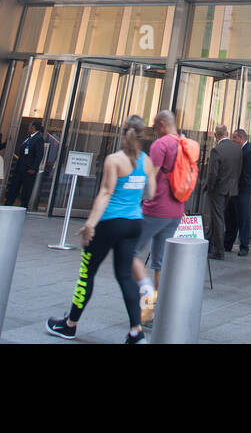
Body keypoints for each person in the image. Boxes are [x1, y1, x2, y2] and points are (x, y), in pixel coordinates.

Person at [46, 115, 155, 343]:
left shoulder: (114, 160)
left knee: (87, 274)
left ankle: (70, 324)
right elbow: (151, 193)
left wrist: (90, 224)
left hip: (110, 222)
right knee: (125, 277)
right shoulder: (147, 162)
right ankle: (136, 331)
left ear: (124, 133)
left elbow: (105, 193)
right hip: (134, 222)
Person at [130, 111, 191, 327]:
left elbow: (151, 177)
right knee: (160, 262)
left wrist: (141, 201)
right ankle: (157, 312)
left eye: (156, 127)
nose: (155, 131)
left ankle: (146, 301)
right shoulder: (185, 144)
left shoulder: (161, 145)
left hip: (156, 208)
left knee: (130, 251)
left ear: (162, 125)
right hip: (176, 210)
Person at [203, 124, 242, 260]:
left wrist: (210, 188)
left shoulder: (216, 150)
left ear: (216, 135)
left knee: (217, 218)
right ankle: (207, 242)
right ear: (226, 133)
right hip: (231, 189)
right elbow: (238, 169)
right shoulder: (237, 149)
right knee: (217, 217)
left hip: (218, 189)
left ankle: (218, 251)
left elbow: (213, 173)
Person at [223, 128, 251, 256]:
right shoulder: (239, 150)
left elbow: (246, 174)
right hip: (234, 190)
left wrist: (237, 186)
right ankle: (228, 243)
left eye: (234, 138)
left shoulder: (249, 151)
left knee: (243, 218)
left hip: (242, 191)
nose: (233, 140)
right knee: (231, 217)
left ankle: (244, 246)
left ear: (241, 138)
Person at [5, 120, 47, 207]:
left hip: (28, 169)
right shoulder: (29, 137)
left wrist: (33, 168)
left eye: (30, 125)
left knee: (26, 189)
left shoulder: (38, 138)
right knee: (14, 186)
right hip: (20, 167)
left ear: (34, 127)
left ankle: (24, 205)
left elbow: (39, 155)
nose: (28, 127)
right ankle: (9, 203)